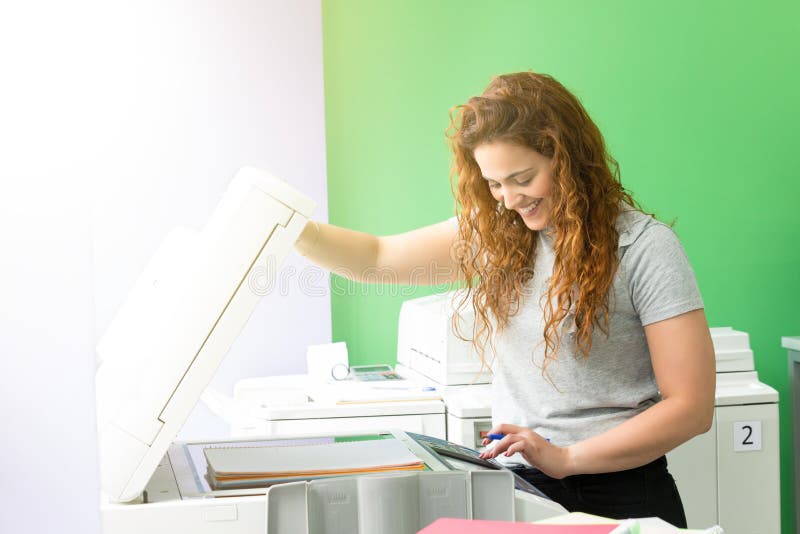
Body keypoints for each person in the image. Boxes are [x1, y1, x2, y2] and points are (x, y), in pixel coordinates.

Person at [293, 71, 715, 526]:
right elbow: (377, 258)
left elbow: (690, 407)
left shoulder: (645, 248)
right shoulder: (499, 236)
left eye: (523, 178)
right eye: (495, 184)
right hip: (522, 489)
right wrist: (294, 229)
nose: (510, 199)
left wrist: (567, 457)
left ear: (567, 158)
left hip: (622, 494)